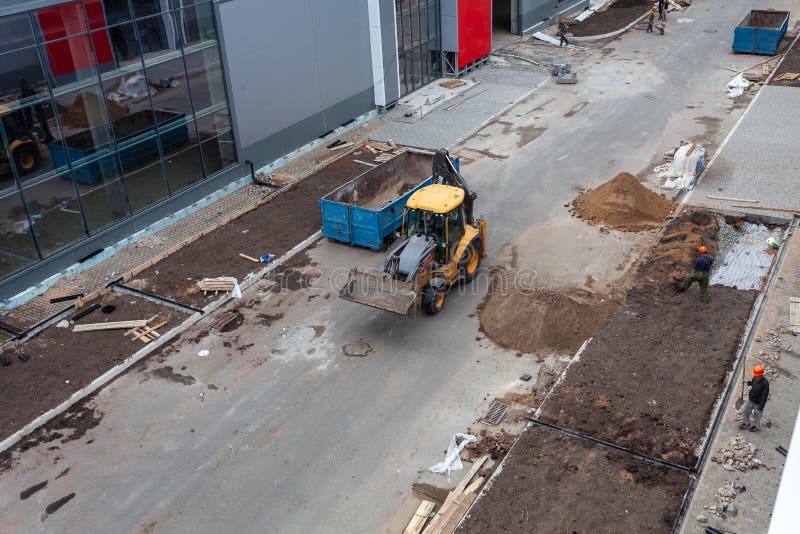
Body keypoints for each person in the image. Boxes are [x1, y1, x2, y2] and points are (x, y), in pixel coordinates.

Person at [740, 366, 769, 432]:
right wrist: (747, 382)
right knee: (746, 411)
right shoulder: (755, 378)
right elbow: (753, 383)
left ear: (761, 374)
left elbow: (764, 396)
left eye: (757, 375)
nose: (755, 376)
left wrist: (760, 407)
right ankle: (746, 422)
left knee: (757, 416)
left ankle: (756, 426)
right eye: (755, 375)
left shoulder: (765, 383)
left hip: (758, 402)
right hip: (751, 399)